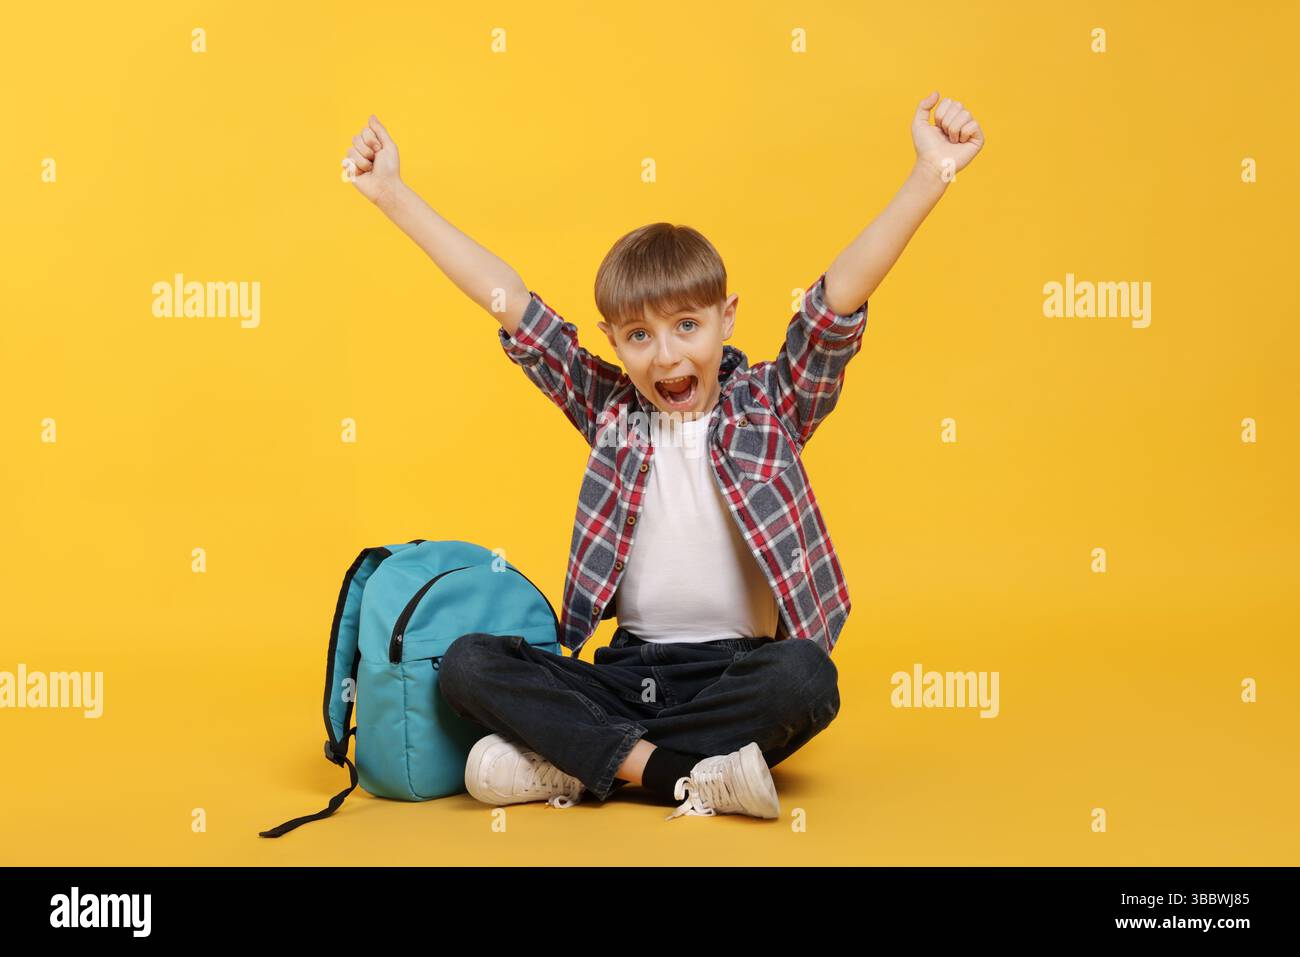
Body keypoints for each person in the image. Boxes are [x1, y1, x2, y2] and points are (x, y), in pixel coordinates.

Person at [341, 91, 984, 820]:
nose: (668, 353)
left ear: (726, 317)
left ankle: (582, 760)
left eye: (686, 325)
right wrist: (392, 194)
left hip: (733, 676)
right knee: (468, 663)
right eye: (639, 335)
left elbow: (835, 305)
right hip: (624, 671)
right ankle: (679, 771)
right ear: (614, 341)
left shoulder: (770, 405)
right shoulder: (611, 410)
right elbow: (510, 302)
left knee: (808, 677)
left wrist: (932, 172)